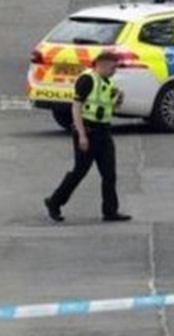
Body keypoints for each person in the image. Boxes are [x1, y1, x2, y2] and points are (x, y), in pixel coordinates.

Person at [45, 52, 131, 223]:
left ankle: (110, 211)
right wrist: (82, 135)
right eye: (113, 67)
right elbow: (76, 107)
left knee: (109, 173)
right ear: (102, 64)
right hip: (88, 131)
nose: (114, 71)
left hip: (104, 131)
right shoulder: (87, 80)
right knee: (79, 171)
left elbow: (105, 108)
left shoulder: (107, 83)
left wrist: (118, 101)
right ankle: (54, 202)